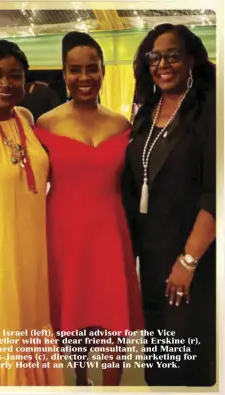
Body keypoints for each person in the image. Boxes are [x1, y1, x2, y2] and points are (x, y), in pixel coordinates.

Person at [35, 31, 144, 387]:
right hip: (64, 231)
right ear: (64, 73)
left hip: (111, 230)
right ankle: (80, 381)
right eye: (75, 70)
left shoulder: (122, 124)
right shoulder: (45, 124)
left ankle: (111, 388)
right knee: (75, 314)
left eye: (92, 69)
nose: (84, 78)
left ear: (103, 71)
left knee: (112, 319)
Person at [0, 39, 64, 386]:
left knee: (30, 322)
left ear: (26, 80)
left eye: (15, 76)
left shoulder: (24, 117)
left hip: (31, 254)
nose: (5, 83)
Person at [121, 23, 216, 386]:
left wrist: (188, 261)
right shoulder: (147, 111)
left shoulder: (209, 111)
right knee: (159, 358)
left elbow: (215, 192)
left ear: (191, 60)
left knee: (188, 354)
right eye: (154, 57)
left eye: (173, 56)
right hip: (154, 254)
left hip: (193, 255)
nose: (163, 64)